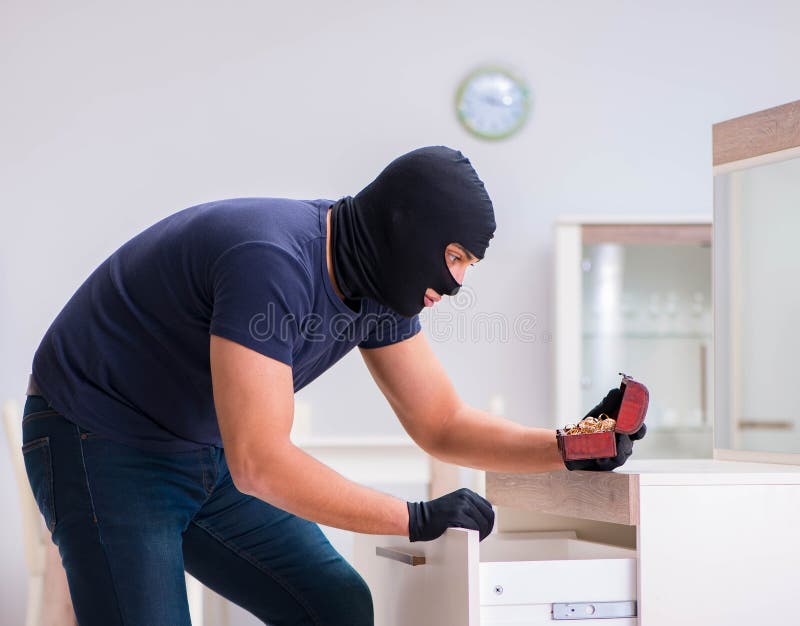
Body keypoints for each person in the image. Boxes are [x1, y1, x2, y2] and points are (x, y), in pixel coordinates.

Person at [21, 146, 644, 625]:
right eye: (454, 257)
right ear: (405, 230)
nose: (456, 284)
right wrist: (414, 516)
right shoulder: (270, 261)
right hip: (99, 440)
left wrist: (568, 445)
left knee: (335, 606)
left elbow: (442, 424)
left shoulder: (377, 287)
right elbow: (262, 461)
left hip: (199, 452)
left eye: (468, 267)